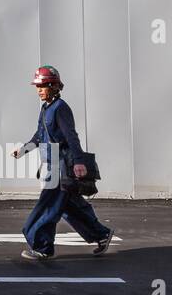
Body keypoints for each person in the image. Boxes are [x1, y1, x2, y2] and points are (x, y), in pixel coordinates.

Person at [11, 65, 113, 261]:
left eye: (42, 86)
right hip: (51, 166)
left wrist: (79, 162)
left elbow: (72, 137)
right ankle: (101, 234)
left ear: (53, 86)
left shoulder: (61, 108)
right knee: (69, 206)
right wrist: (23, 149)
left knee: (48, 207)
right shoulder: (45, 109)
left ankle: (42, 247)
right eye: (37, 86)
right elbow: (39, 136)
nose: (38, 90)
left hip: (62, 168)